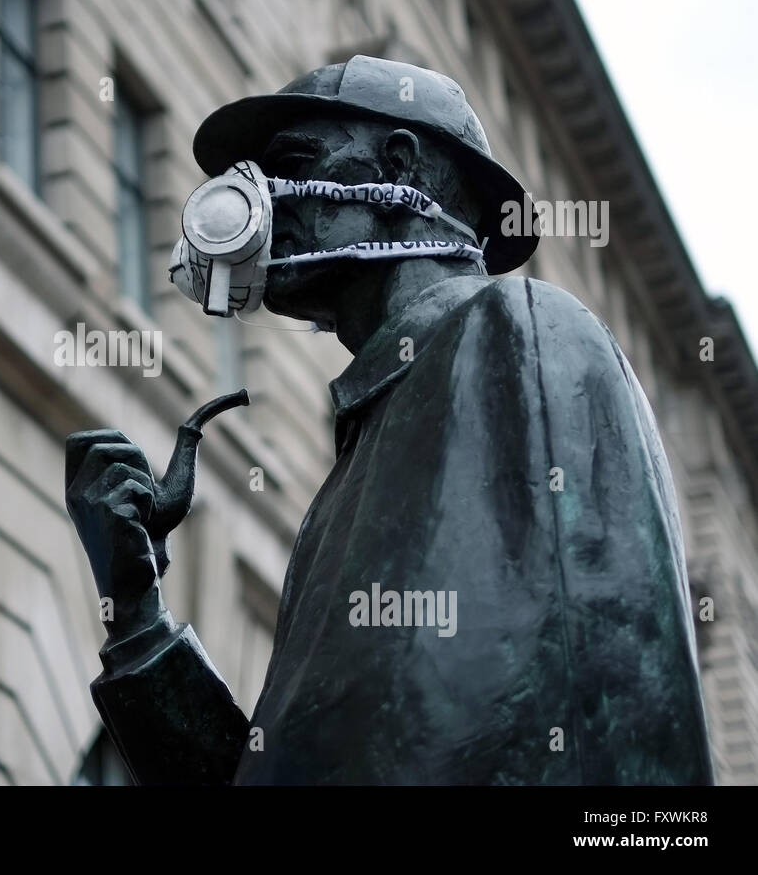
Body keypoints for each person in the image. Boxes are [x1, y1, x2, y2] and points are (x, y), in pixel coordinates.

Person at [64, 56, 713, 784]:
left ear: (399, 170)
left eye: (293, 165)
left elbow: (613, 714)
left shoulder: (520, 330)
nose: (265, 203)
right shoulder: (346, 479)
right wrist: (137, 614)